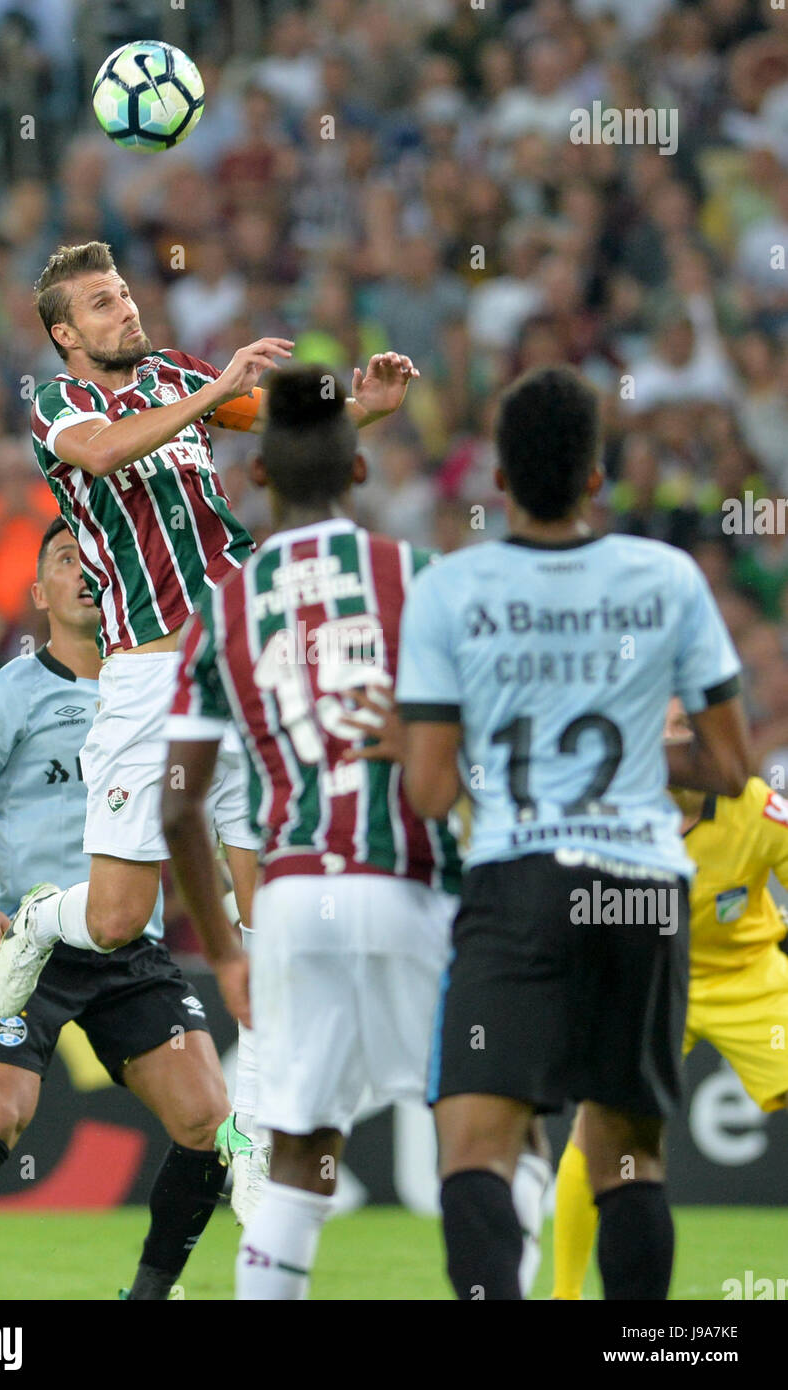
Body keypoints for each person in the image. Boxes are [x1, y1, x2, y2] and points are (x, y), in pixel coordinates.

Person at [0, 239, 417, 1214]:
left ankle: (255, 1144)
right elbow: (100, 454)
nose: (124, 312)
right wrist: (211, 389)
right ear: (64, 335)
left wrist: (365, 407)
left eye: (125, 295)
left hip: (239, 667)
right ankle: (36, 921)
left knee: (270, 918)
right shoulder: (59, 407)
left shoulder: (178, 375)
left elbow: (275, 418)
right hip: (145, 678)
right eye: (101, 305)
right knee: (113, 920)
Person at [395, 363, 751, 1300]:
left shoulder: (448, 589)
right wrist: (639, 757)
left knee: (475, 1145)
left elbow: (429, 794)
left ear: (499, 481)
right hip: (641, 885)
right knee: (628, 1155)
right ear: (598, 477)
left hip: (517, 885)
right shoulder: (667, 578)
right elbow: (730, 768)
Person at [160, 365, 462, 1300]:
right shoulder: (416, 579)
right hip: (410, 884)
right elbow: (473, 747)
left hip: (288, 901)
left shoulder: (223, 611)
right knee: (479, 1138)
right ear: (361, 470)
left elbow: (178, 802)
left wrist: (226, 953)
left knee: (296, 1160)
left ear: (257, 481)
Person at [0, 517, 231, 1301]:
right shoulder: (14, 691)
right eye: (65, 559)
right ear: (40, 594)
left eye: (95, 555)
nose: (85, 569)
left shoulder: (157, 690)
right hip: (33, 941)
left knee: (208, 1123)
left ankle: (146, 1298)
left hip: (132, 949)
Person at [552, 699, 788, 1300]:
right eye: (664, 733)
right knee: (598, 1130)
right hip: (649, 978)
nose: (679, 746)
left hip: (747, 974)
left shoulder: (757, 806)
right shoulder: (606, 815)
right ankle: (564, 1295)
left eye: (689, 732)